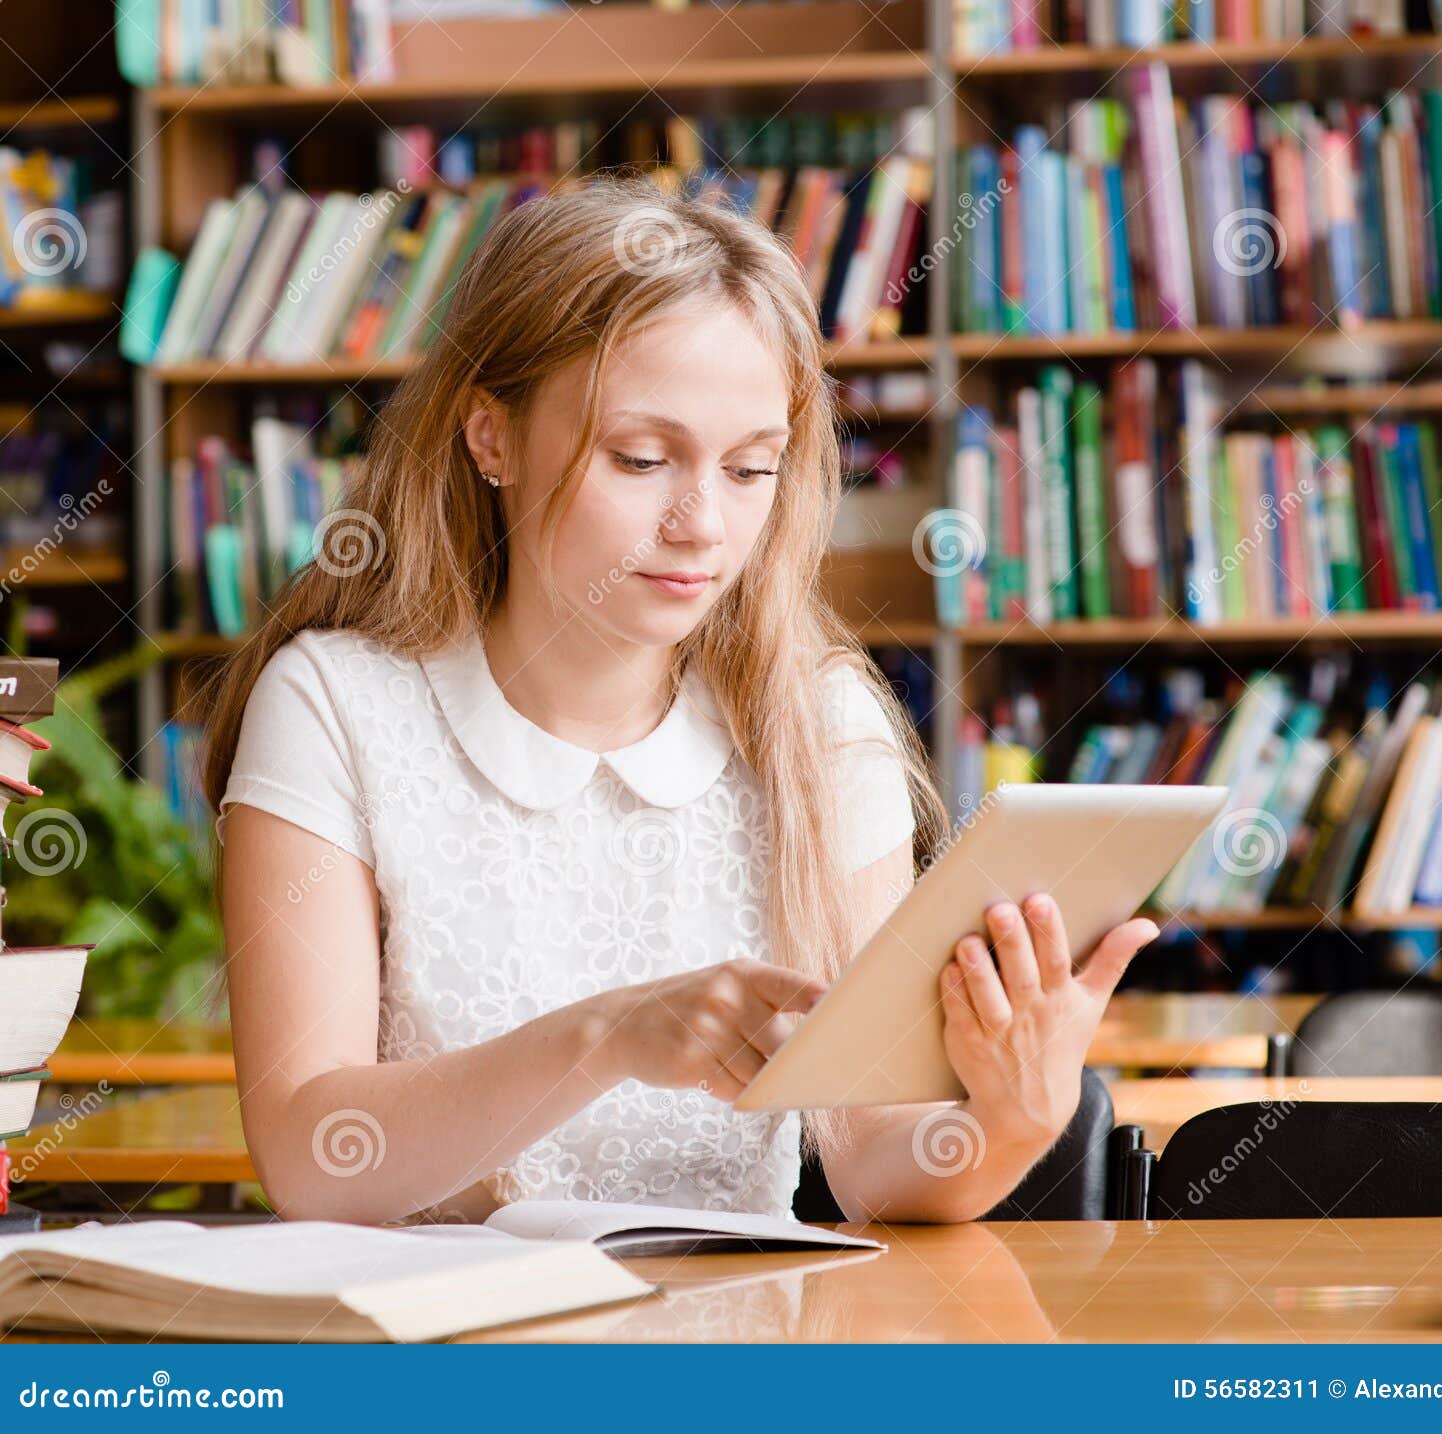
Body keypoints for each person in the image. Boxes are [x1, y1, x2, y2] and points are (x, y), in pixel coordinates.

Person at [205, 177, 1158, 1227]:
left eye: (752, 469)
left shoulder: (820, 724)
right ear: (492, 437)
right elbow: (311, 1159)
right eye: (643, 459)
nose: (702, 523)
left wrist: (1012, 1116)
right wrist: (610, 1035)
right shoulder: (337, 705)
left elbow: (873, 1163)